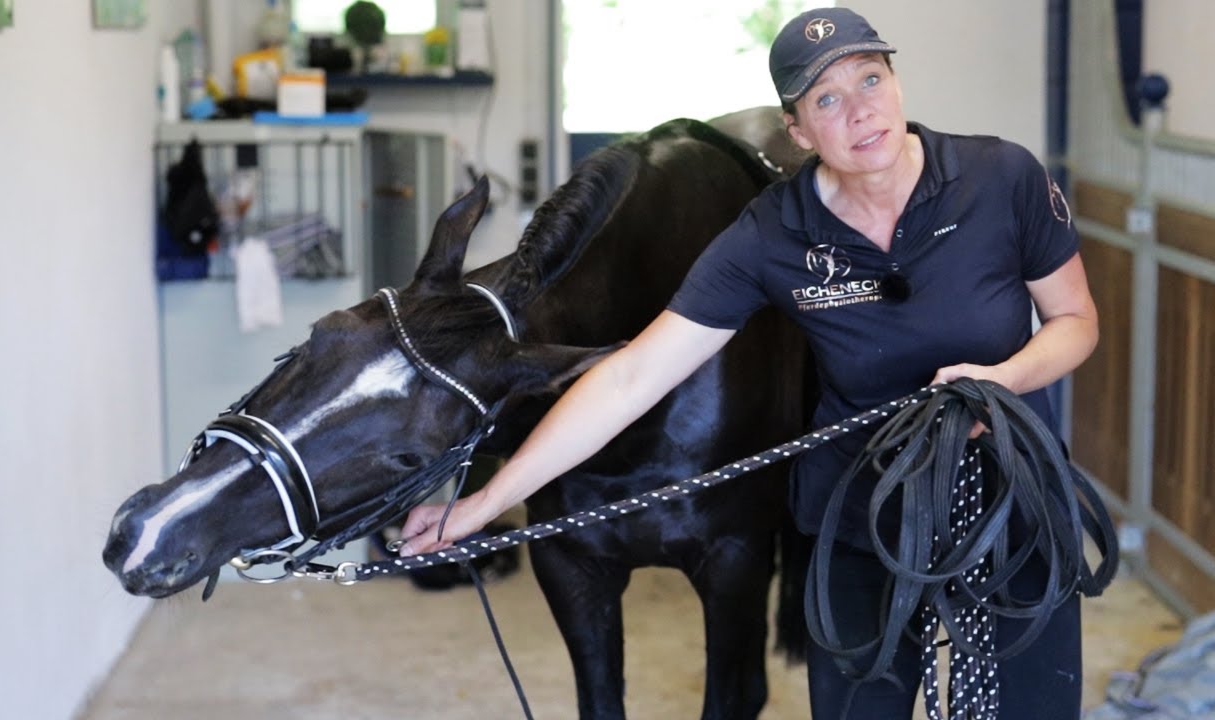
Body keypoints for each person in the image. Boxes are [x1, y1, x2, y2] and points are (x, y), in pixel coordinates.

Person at [401, 7, 1098, 719]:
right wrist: (484, 502)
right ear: (796, 131)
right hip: (862, 512)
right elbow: (631, 376)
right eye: (826, 99)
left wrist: (1002, 379)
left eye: (870, 79)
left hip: (1008, 495)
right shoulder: (771, 233)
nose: (859, 111)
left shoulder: (1001, 177)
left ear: (895, 81)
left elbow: (1075, 322)